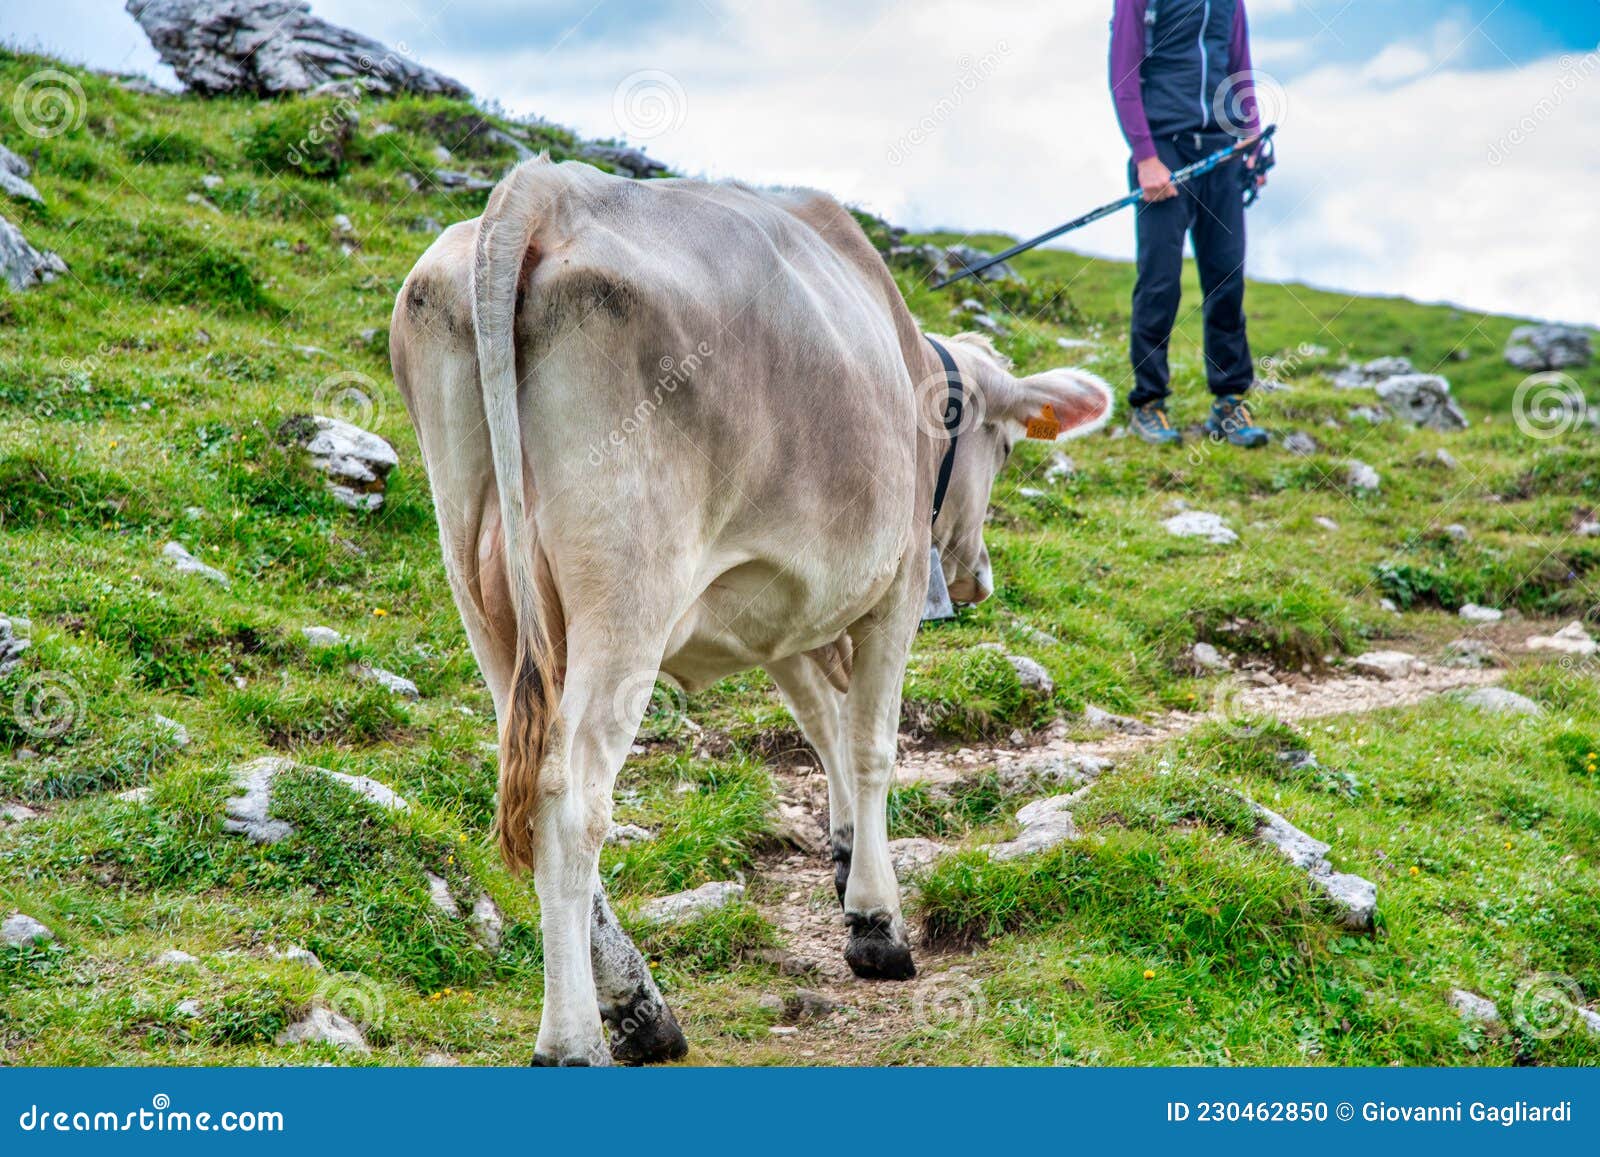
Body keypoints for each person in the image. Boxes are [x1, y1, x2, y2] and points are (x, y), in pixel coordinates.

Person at [1109, 0, 1269, 447]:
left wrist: (1250, 137)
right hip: (1164, 152)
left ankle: (1230, 401)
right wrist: (1146, 158)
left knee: (1227, 280)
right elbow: (1123, 76)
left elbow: (1240, 70)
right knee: (1160, 281)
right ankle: (1149, 403)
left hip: (1221, 154)